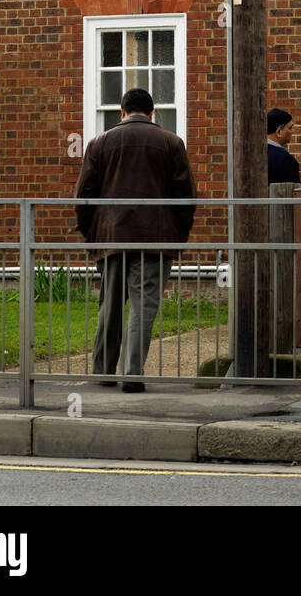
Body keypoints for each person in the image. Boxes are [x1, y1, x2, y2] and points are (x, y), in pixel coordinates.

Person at [75, 87, 196, 393]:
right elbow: (186, 196)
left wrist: (92, 236)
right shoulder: (171, 142)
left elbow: (83, 195)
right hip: (156, 238)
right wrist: (178, 238)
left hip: (112, 235)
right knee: (144, 306)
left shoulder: (99, 143)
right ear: (152, 112)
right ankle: (132, 372)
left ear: (122, 111)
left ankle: (103, 371)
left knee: (110, 306)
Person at [266, 107, 301, 185]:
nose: (293, 131)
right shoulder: (285, 160)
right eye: (290, 127)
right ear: (279, 132)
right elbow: (294, 193)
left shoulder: (252, 154)